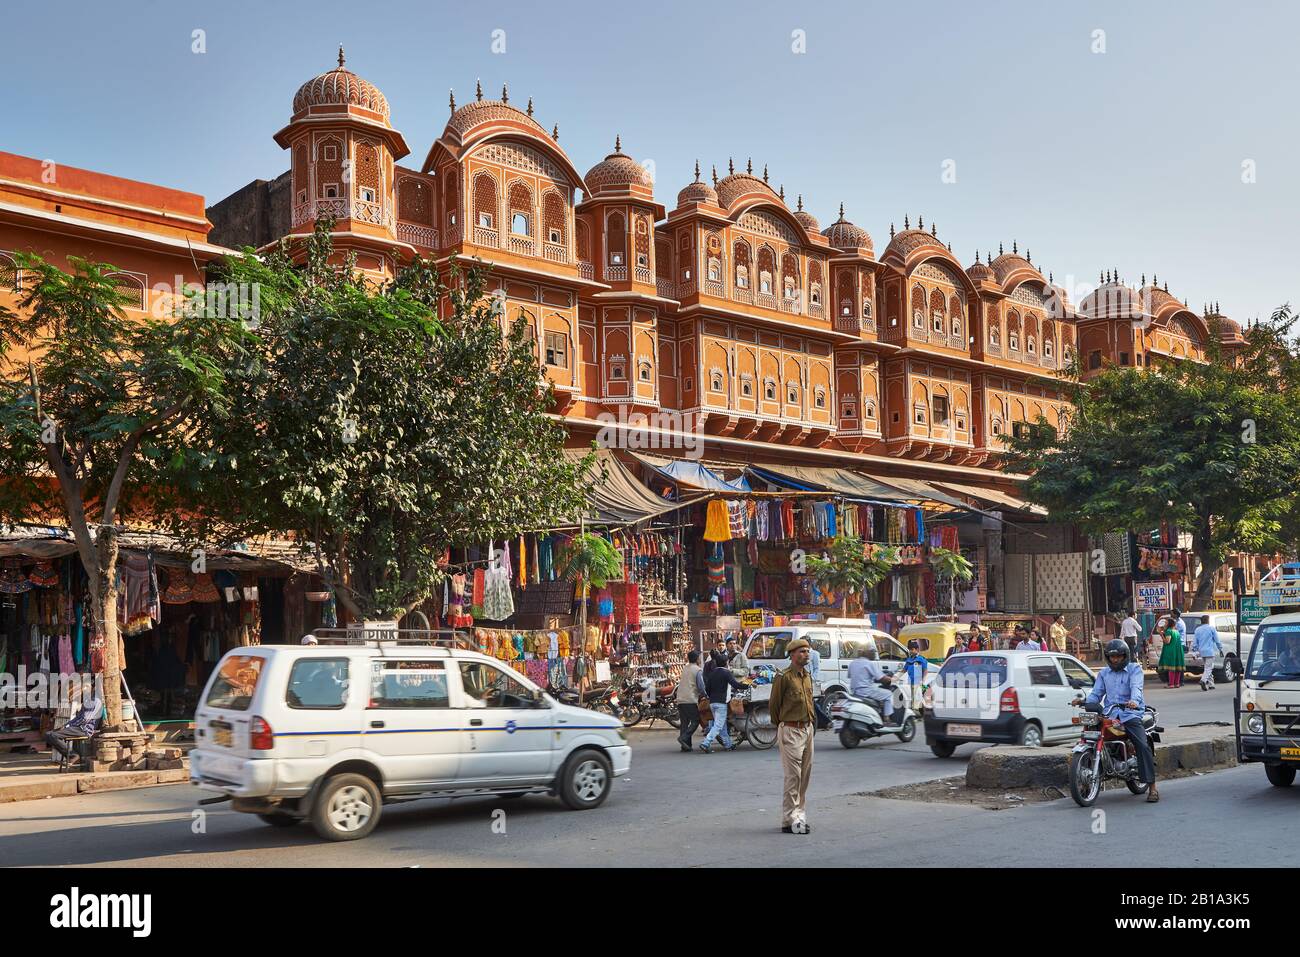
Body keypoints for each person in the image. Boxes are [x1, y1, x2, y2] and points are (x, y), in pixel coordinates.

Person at [1075, 639, 1158, 802]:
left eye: (1118, 657)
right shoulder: (1104, 673)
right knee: (1090, 733)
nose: (1115, 660)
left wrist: (1134, 701)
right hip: (1110, 714)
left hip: (1130, 713)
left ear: (1125, 656)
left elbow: (1136, 688)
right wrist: (1086, 702)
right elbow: (1096, 693)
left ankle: (1153, 788)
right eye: (1112, 657)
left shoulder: (1134, 670)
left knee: (1141, 745)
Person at [768, 637, 816, 834]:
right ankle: (789, 820)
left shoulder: (806, 675)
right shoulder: (784, 677)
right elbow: (774, 706)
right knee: (793, 777)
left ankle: (799, 817)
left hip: (807, 729)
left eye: (807, 651)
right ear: (793, 655)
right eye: (802, 652)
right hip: (791, 730)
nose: (807, 655)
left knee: (804, 776)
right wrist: (784, 726)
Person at [699, 651, 746, 753]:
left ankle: (728, 745)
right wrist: (747, 685)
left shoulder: (712, 673)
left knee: (722, 725)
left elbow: (707, 688)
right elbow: (735, 685)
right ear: (726, 663)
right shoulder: (726, 672)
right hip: (721, 703)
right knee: (718, 725)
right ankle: (705, 743)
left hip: (712, 702)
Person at [45, 690, 104, 768]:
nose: (84, 690)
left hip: (83, 729)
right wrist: (66, 725)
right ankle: (71, 756)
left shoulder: (96, 701)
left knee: (52, 735)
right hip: (77, 728)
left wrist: (69, 726)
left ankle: (73, 756)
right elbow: (78, 717)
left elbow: (85, 719)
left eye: (87, 687)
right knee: (48, 734)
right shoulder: (87, 700)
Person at [848, 645, 895, 721]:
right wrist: (891, 679)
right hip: (865, 691)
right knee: (888, 694)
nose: (874, 654)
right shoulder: (868, 663)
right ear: (867, 653)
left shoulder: (852, 663)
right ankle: (887, 718)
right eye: (873, 652)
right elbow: (882, 678)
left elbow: (851, 676)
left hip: (854, 692)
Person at [675, 650, 705, 752]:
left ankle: (685, 746)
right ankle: (683, 738)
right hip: (690, 699)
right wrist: (705, 695)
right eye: (699, 657)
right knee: (696, 720)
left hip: (680, 699)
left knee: (684, 723)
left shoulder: (685, 668)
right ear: (697, 659)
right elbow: (701, 687)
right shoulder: (697, 670)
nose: (700, 659)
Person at [1192, 615, 1223, 690]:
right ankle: (1203, 680)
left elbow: (1195, 642)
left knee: (1208, 667)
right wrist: (1220, 649)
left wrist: (1195, 651)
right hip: (1209, 651)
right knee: (1208, 668)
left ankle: (1211, 684)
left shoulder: (1197, 630)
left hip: (1202, 652)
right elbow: (1217, 640)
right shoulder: (1211, 628)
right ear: (1208, 621)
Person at [1158, 617, 1186, 688]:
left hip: (1171, 651)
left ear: (1169, 624)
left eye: (1166, 623)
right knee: (1177, 667)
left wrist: (1161, 635)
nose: (1165, 624)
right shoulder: (1176, 631)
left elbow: (1167, 641)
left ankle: (1171, 684)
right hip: (1178, 651)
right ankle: (1177, 683)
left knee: (1171, 668)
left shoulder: (1169, 631)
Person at [901, 640, 928, 710]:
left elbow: (925, 671)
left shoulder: (921, 659)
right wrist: (896, 677)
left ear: (917, 649)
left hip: (919, 683)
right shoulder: (909, 660)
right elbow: (904, 670)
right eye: (910, 649)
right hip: (911, 682)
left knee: (918, 698)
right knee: (913, 698)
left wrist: (923, 681)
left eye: (912, 649)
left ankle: (920, 712)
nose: (911, 651)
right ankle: (916, 712)